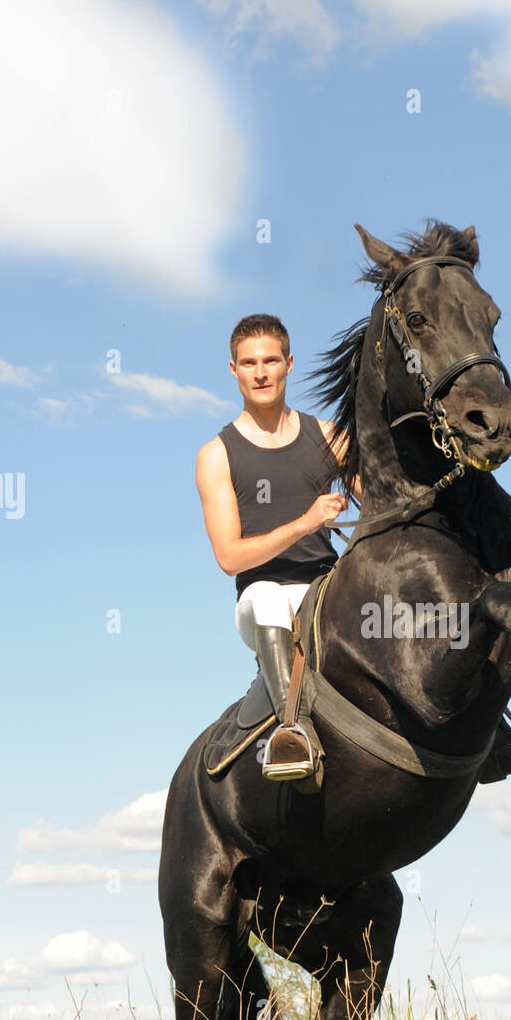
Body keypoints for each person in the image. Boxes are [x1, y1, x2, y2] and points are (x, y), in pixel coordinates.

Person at [195, 313, 357, 783]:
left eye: (270, 361)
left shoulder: (330, 437)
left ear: (289, 364)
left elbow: (384, 498)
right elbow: (230, 558)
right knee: (266, 595)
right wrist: (305, 523)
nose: (260, 372)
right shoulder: (216, 454)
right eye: (249, 363)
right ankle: (293, 733)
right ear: (233, 370)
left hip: (325, 595)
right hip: (260, 603)